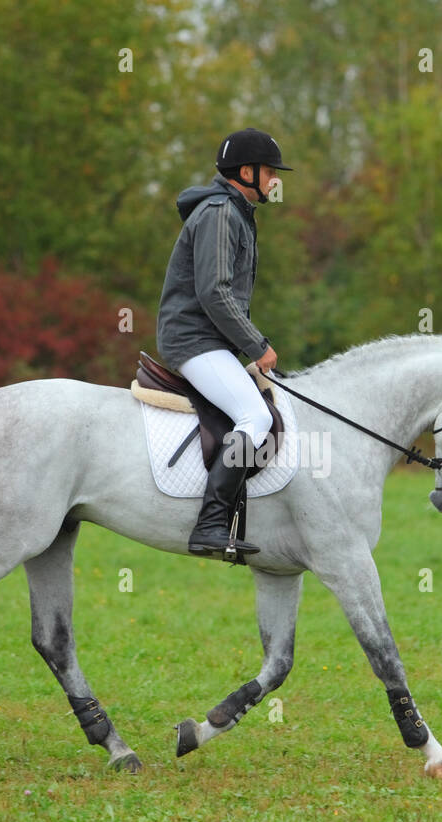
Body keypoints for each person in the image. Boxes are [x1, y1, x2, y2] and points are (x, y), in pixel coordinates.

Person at [156, 128, 293, 555]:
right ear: (246, 172)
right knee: (256, 419)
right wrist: (257, 345)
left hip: (207, 341)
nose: (274, 180)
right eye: (269, 171)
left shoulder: (235, 212)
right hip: (194, 341)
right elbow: (215, 292)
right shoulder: (220, 212)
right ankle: (211, 524)